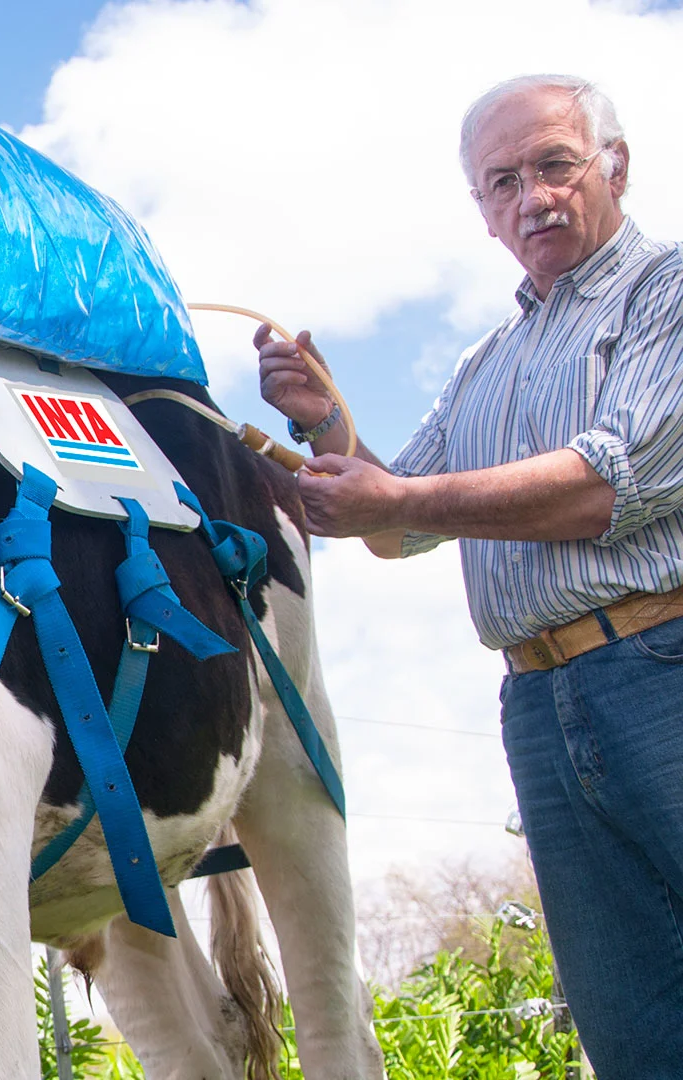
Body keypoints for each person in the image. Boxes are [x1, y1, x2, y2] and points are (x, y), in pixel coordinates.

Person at [256, 74, 683, 1074]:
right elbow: (399, 523)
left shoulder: (665, 288)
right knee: (629, 1024)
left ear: (613, 165)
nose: (532, 196)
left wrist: (396, 502)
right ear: (483, 212)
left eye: (555, 165)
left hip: (663, 670)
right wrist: (326, 423)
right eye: (502, 181)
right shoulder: (485, 362)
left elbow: (606, 481)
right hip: (538, 704)